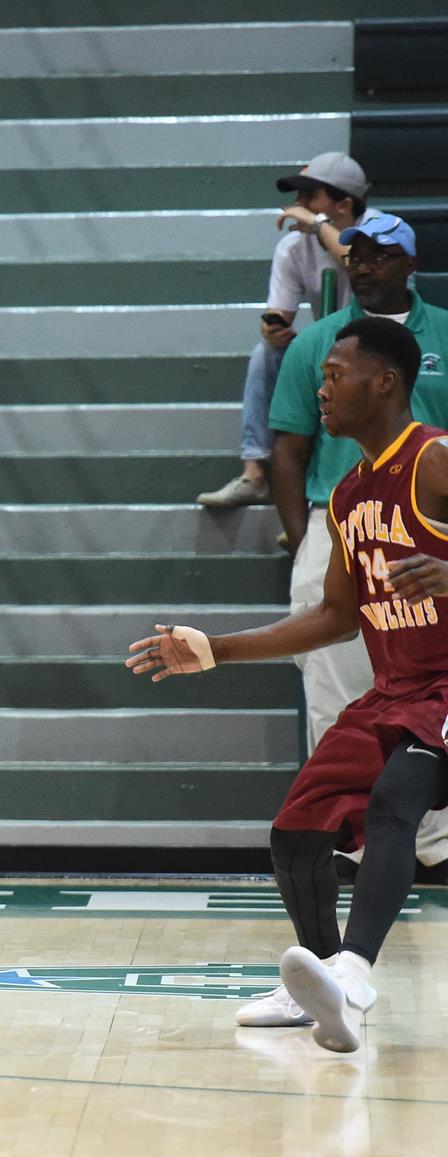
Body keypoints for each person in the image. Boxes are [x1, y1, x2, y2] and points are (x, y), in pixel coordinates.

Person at [128, 319, 448, 1054]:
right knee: (297, 829)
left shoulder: (433, 460)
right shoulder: (346, 496)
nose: (320, 387)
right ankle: (320, 988)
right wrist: (216, 650)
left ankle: (355, 972)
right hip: (396, 690)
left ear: (385, 382)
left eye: (336, 374)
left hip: (444, 687)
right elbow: (338, 613)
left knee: (398, 798)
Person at [268, 213, 448, 866]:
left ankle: (427, 845)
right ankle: (346, 835)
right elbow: (287, 446)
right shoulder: (317, 341)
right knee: (340, 689)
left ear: (409, 264)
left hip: (430, 528)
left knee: (426, 694)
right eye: (355, 253)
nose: (364, 264)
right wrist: (306, 538)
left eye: (380, 253)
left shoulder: (444, 336)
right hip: (338, 517)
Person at [199, 152, 377, 509]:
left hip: (376, 352)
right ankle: (254, 473)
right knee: (268, 354)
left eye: (310, 197)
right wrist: (274, 329)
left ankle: (329, 501)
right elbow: (279, 311)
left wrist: (317, 227)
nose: (299, 206)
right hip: (328, 347)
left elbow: (358, 263)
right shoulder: (293, 248)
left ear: (343, 203)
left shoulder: (381, 229)